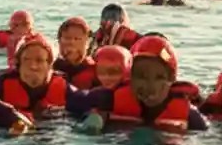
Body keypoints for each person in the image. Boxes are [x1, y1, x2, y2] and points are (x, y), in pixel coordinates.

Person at [69, 36, 208, 132]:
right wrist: (89, 118)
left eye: (159, 77)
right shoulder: (107, 99)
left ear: (172, 79)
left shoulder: (190, 115)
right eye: (141, 76)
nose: (150, 86)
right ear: (129, 78)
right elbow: (71, 102)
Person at [0, 33, 80, 118]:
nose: (33, 66)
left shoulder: (66, 89)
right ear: (19, 64)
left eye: (39, 60)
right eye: (26, 60)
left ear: (50, 65)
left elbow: (88, 102)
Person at [54, 16, 96, 89]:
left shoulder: (95, 71)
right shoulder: (51, 68)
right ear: (59, 41)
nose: (72, 43)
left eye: (77, 39)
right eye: (67, 38)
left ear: (88, 42)